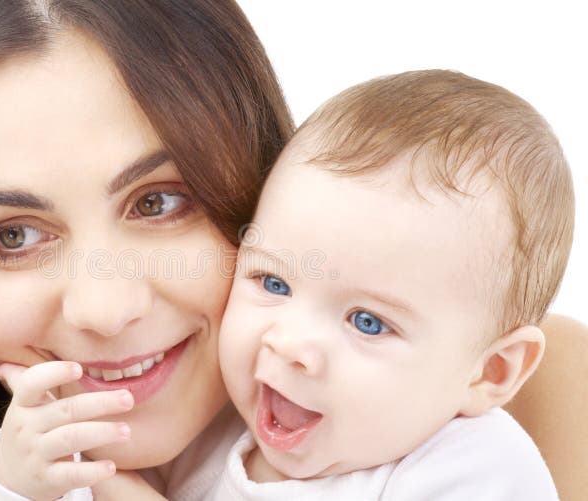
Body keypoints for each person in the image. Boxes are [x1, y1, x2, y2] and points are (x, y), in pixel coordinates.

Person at [0, 1, 587, 500]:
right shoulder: (221, 438)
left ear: (251, 189)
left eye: (158, 201)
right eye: (13, 236)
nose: (105, 308)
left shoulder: (492, 434)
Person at [210, 70, 567, 499]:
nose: (289, 345)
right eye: (273, 283)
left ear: (490, 370)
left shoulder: (474, 466)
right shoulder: (210, 430)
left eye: (367, 323)